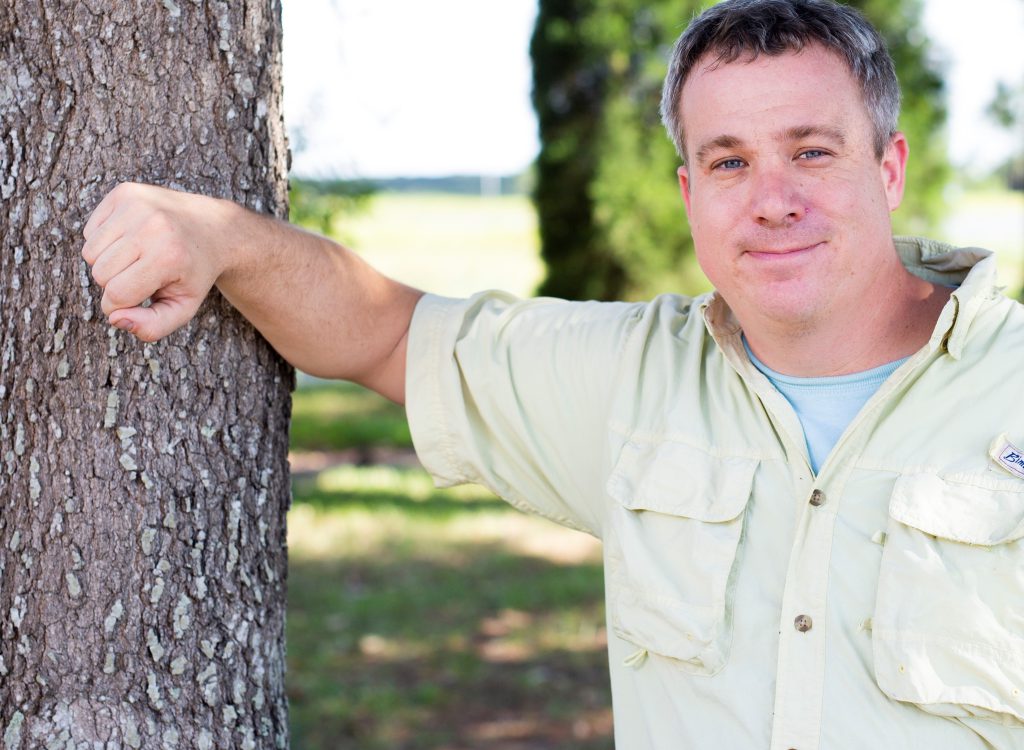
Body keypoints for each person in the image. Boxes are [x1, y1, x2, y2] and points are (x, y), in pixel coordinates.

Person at [81, 0, 1024, 747]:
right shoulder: (632, 381)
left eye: (811, 152)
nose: (773, 200)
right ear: (690, 192)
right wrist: (218, 236)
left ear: (888, 168)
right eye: (729, 162)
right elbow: (383, 331)